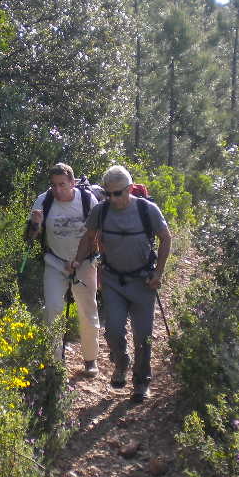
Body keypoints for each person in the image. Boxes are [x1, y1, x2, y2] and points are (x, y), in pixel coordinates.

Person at [68, 165, 171, 402]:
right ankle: (121, 363)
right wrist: (77, 260)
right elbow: (88, 237)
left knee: (143, 335)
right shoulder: (101, 211)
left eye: (118, 193)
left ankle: (141, 382)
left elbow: (165, 238)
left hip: (143, 282)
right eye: (108, 194)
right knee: (113, 330)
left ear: (129, 189)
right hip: (113, 280)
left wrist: (159, 272)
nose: (113, 199)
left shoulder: (148, 210)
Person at [26, 163, 101, 374]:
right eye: (54, 186)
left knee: (88, 311)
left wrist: (80, 259)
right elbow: (30, 238)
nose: (57, 190)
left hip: (84, 263)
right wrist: (35, 224)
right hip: (54, 262)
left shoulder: (87, 200)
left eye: (62, 185)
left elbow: (95, 235)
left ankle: (90, 359)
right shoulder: (44, 201)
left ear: (73, 183)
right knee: (52, 309)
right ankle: (55, 363)